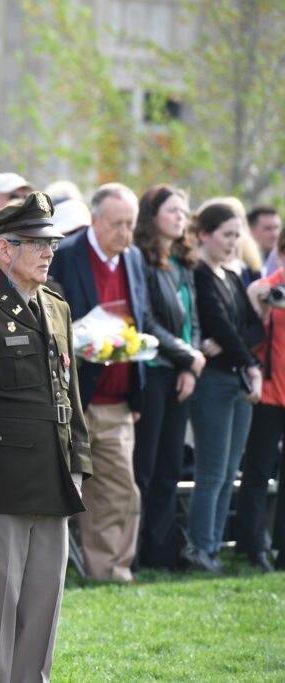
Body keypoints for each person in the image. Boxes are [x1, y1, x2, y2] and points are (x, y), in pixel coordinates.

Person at [0, 192, 90, 682]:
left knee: (42, 609)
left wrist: (77, 465)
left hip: (51, 479)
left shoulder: (56, 305)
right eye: (38, 244)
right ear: (5, 250)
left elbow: (69, 393)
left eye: (52, 243)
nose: (50, 252)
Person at [49, 182, 148, 582]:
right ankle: (79, 568)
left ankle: (111, 569)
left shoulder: (135, 259)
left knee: (121, 489)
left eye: (131, 224)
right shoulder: (66, 256)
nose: (125, 233)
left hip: (119, 398)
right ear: (94, 220)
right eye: (117, 224)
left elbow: (143, 317)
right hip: (76, 395)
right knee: (70, 488)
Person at [131, 185, 206, 571]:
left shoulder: (183, 261)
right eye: (173, 210)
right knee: (144, 467)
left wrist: (189, 366)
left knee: (170, 467)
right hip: (153, 374)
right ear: (152, 215)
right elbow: (147, 321)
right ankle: (138, 550)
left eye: (185, 210)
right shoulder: (140, 259)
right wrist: (188, 357)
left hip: (179, 373)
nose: (182, 216)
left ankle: (161, 550)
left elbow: (191, 320)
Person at [186, 202, 263, 574]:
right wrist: (245, 355)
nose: (234, 243)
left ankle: (214, 547)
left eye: (237, 236)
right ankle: (201, 548)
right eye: (227, 235)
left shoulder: (232, 276)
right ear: (204, 234)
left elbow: (253, 329)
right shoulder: (199, 273)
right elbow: (217, 323)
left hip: (236, 380)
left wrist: (234, 344)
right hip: (214, 382)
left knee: (230, 470)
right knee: (212, 472)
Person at [238, 228, 285, 571]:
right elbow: (247, 338)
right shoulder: (269, 286)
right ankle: (253, 548)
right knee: (257, 471)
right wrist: (266, 303)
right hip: (268, 392)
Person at [248, 206, 282, 276]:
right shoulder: (245, 265)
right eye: (268, 229)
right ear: (251, 231)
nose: (275, 234)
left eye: (277, 227)